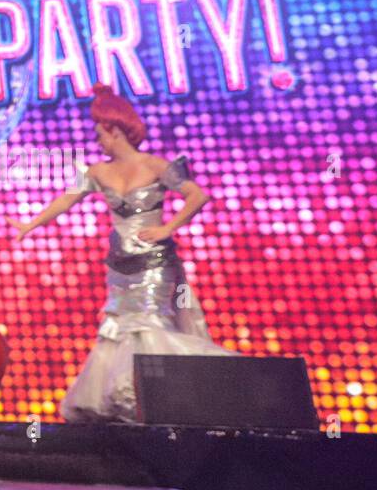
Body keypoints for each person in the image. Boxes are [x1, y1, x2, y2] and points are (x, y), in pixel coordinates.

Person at [15, 83, 239, 423]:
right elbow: (66, 200)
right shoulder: (97, 172)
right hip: (120, 267)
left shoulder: (156, 166)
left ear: (115, 130)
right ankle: (124, 395)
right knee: (118, 327)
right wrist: (30, 225)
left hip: (155, 264)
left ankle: (162, 393)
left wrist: (167, 228)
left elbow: (197, 195)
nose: (97, 141)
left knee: (150, 322)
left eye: (100, 133)